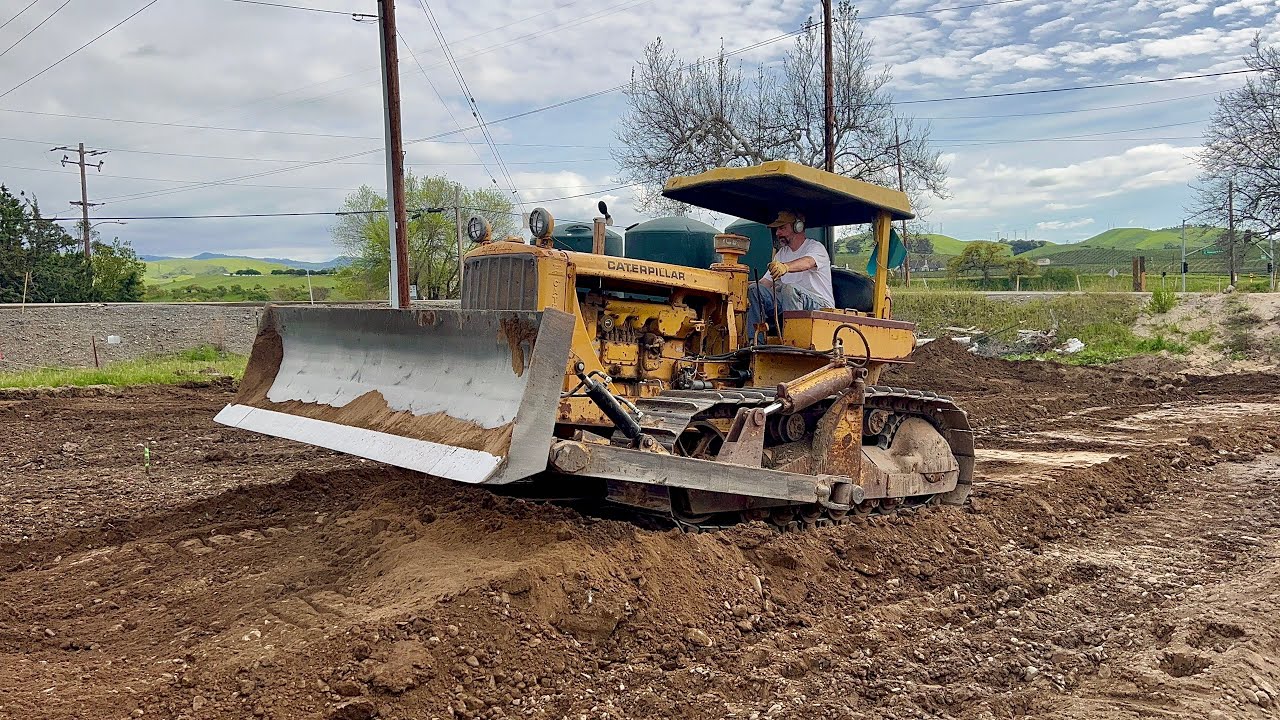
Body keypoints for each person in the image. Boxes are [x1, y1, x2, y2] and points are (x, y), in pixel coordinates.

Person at [745, 210, 834, 343]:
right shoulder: (782, 254)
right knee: (755, 289)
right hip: (790, 302)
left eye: (782, 228)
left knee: (790, 289)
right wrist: (740, 285)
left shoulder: (815, 247)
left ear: (798, 227)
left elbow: (808, 262)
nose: (777, 233)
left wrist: (786, 267)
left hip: (821, 306)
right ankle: (756, 342)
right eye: (777, 229)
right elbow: (766, 282)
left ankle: (793, 342)